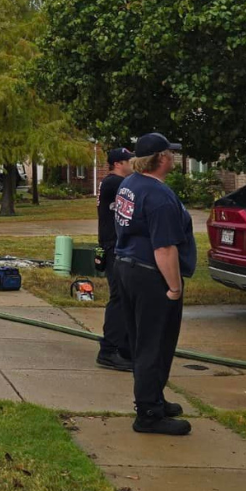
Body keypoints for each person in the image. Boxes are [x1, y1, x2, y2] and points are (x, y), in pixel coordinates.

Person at [112, 133, 195, 436]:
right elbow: (165, 248)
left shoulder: (130, 184)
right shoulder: (159, 197)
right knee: (154, 344)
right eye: (170, 153)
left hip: (127, 267)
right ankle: (148, 414)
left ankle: (154, 398)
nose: (173, 157)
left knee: (141, 340)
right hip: (150, 274)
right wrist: (174, 287)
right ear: (161, 158)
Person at [96, 148, 134, 372]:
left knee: (126, 297)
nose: (134, 164)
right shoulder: (114, 183)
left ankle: (124, 348)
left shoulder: (115, 183)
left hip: (116, 246)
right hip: (113, 247)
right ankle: (108, 351)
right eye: (131, 161)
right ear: (119, 163)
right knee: (119, 297)